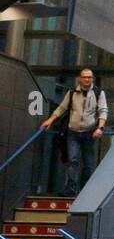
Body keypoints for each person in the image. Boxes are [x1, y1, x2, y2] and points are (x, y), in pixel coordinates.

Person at [40, 68, 108, 198]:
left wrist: (100, 127)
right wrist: (50, 120)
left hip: (90, 132)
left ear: (92, 79)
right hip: (73, 133)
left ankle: (85, 190)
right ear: (80, 79)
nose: (87, 79)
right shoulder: (72, 93)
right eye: (84, 77)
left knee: (88, 163)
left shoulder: (98, 93)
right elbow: (62, 108)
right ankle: (71, 188)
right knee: (73, 160)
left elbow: (103, 110)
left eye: (89, 77)